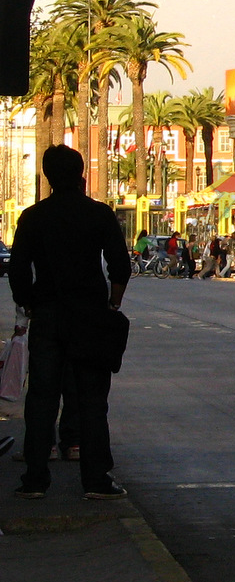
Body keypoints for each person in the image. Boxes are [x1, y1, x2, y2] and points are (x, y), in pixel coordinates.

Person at [12, 145, 130, 499]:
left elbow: (18, 271)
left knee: (41, 398)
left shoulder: (32, 217)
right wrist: (112, 303)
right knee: (92, 400)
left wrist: (30, 303)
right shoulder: (99, 215)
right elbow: (120, 266)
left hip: (48, 315)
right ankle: (96, 479)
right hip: (89, 317)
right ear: (81, 175)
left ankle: (35, 479)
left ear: (47, 177)